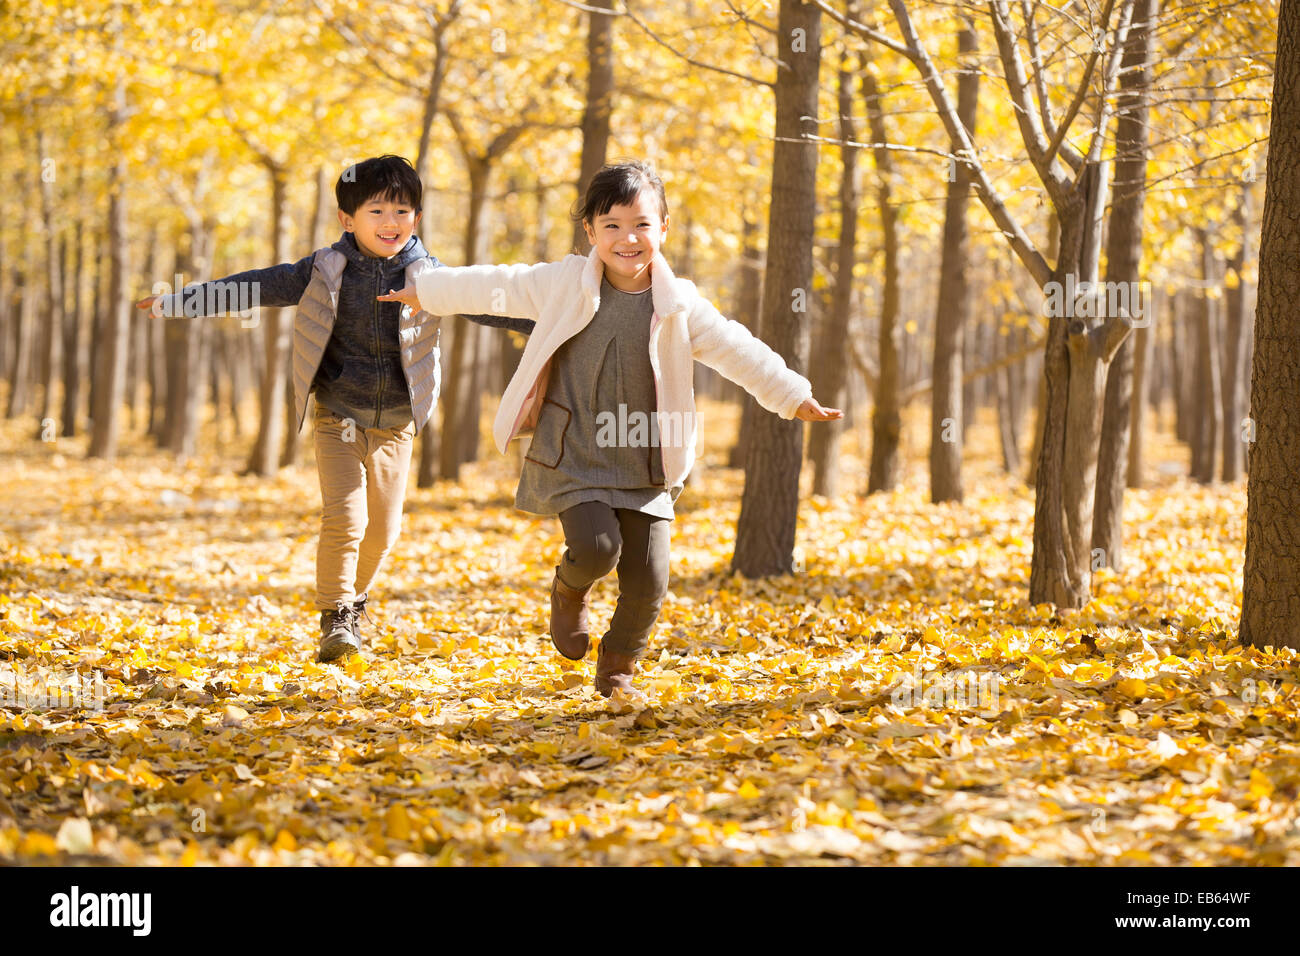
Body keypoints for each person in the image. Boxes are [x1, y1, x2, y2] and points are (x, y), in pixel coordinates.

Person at [379, 160, 841, 697]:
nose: (628, 239)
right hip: (573, 450)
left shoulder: (679, 302)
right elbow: (497, 284)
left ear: (664, 228)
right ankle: (568, 590)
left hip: (646, 458)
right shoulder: (565, 283)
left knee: (650, 580)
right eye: (613, 226)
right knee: (598, 548)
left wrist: (792, 394)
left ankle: (618, 665)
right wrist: (426, 290)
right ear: (591, 232)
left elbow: (737, 348)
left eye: (642, 225)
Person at [136, 155, 529, 663]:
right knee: (346, 520)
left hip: (396, 426)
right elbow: (256, 285)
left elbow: (487, 305)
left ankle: (353, 601)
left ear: (418, 218)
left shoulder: (429, 276)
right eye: (378, 210)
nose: (392, 222)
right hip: (339, 416)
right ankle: (336, 617)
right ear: (348, 219)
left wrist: (550, 328)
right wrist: (179, 300)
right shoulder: (323, 270)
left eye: (403, 211)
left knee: (384, 533)